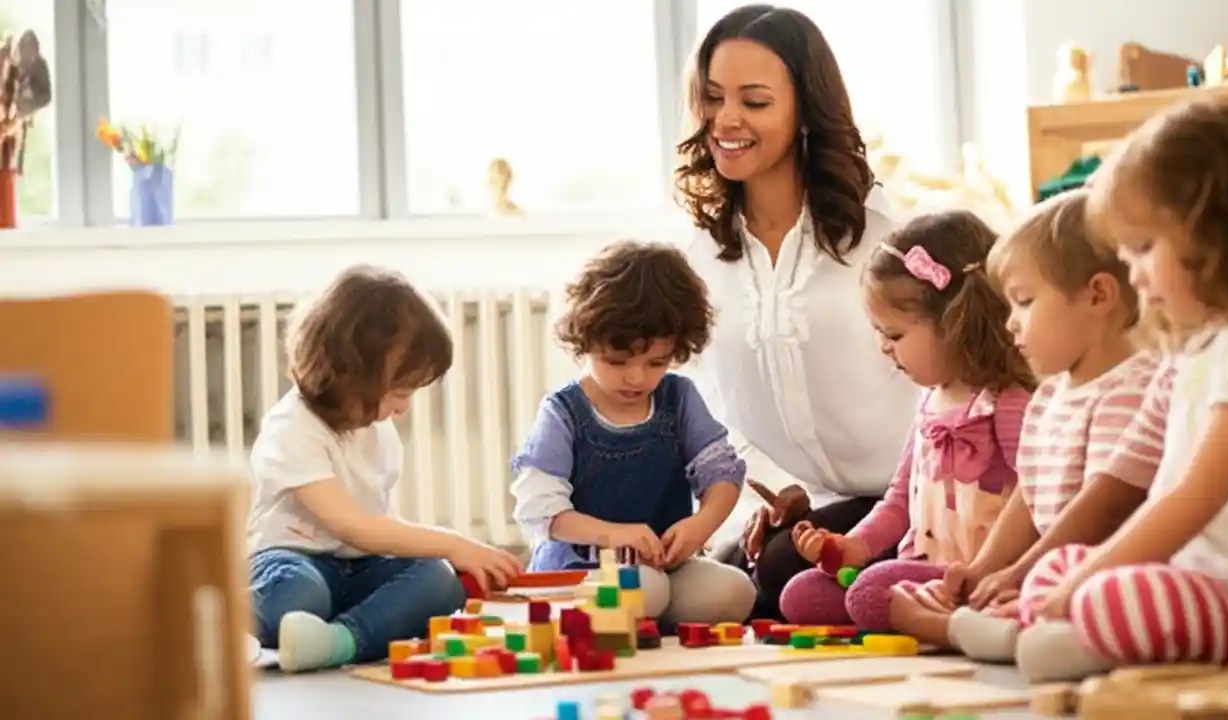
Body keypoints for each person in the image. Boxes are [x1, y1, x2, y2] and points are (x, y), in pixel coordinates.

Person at [1014, 100, 1228, 686]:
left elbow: (1192, 498)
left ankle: (1078, 636)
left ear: (1219, 236)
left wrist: (1086, 583)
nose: (1133, 273)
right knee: (1063, 567)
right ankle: (1074, 633)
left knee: (1108, 591)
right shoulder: (1207, 347)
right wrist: (1073, 576)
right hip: (1202, 584)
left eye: (1142, 248)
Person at [675, 2, 918, 618]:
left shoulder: (882, 236)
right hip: (802, 510)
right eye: (712, 97)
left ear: (806, 110)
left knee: (780, 573)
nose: (725, 119)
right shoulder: (703, 256)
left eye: (754, 102)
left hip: (909, 497)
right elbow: (708, 405)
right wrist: (775, 490)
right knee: (716, 586)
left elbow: (958, 379)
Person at [881, 189, 1161, 677]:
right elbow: (1028, 498)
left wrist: (1021, 570)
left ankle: (971, 632)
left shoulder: (1131, 387)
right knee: (903, 596)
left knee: (1059, 612)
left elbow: (1103, 508)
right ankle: (989, 624)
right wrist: (981, 568)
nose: (1010, 324)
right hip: (1049, 568)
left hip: (1099, 569)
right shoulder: (1051, 395)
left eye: (1025, 302)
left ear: (1098, 295)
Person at [248, 265, 522, 673]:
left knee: (438, 579)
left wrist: (446, 558)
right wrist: (454, 542)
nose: (403, 407)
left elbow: (378, 532)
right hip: (292, 560)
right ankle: (242, 620)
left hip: (359, 568)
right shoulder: (292, 429)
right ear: (349, 374)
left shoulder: (377, 430)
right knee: (299, 594)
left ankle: (338, 641)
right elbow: (353, 526)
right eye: (399, 392)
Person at [774, 210, 1034, 629]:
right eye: (878, 332)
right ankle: (908, 610)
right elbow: (898, 501)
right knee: (801, 594)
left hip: (981, 578)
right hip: (920, 574)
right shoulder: (930, 404)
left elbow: (1038, 500)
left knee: (872, 589)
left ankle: (951, 619)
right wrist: (851, 546)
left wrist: (996, 569)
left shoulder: (1005, 406)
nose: (882, 347)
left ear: (956, 325)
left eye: (893, 335)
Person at [510, 240, 758, 624]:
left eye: (656, 362)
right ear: (585, 341)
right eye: (616, 361)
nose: (637, 377)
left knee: (734, 590)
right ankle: (620, 615)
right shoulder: (564, 412)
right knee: (644, 589)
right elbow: (542, 512)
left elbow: (722, 474)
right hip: (581, 570)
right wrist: (612, 535)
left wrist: (701, 524)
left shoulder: (678, 397)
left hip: (661, 570)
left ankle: (640, 617)